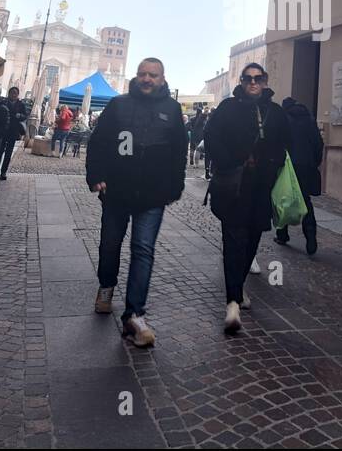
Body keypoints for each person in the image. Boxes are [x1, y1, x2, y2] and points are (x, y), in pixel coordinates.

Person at [85, 58, 187, 347]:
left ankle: (134, 314)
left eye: (152, 75)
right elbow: (100, 142)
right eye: (142, 74)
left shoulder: (172, 109)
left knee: (143, 250)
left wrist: (174, 187)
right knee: (110, 243)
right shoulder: (119, 104)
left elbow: (180, 151)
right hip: (117, 189)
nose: (147, 79)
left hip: (153, 194)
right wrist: (96, 175)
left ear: (162, 78)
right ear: (136, 76)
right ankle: (106, 285)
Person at [204, 63, 290, 335]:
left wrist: (272, 163)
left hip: (261, 188)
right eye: (248, 78)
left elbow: (284, 143)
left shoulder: (275, 112)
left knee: (252, 239)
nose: (253, 83)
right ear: (241, 82)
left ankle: (238, 289)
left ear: (265, 82)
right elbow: (211, 137)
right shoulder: (228, 108)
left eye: (258, 78)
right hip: (234, 186)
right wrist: (231, 162)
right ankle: (232, 301)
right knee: (233, 240)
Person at [276, 96, 323, 255]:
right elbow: (318, 143)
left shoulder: (284, 119)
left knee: (284, 198)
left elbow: (279, 143)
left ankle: (282, 235)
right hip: (306, 166)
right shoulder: (309, 119)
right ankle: (311, 238)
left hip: (287, 165)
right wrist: (313, 162)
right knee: (306, 202)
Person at [0, 86, 28, 178]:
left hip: (13, 131)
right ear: (9, 93)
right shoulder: (3, 102)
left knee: (8, 153)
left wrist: (20, 115)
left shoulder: (21, 104)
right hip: (2, 130)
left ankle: (3, 172)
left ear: (17, 95)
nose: (13, 94)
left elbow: (25, 116)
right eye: (12, 92)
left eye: (15, 93)